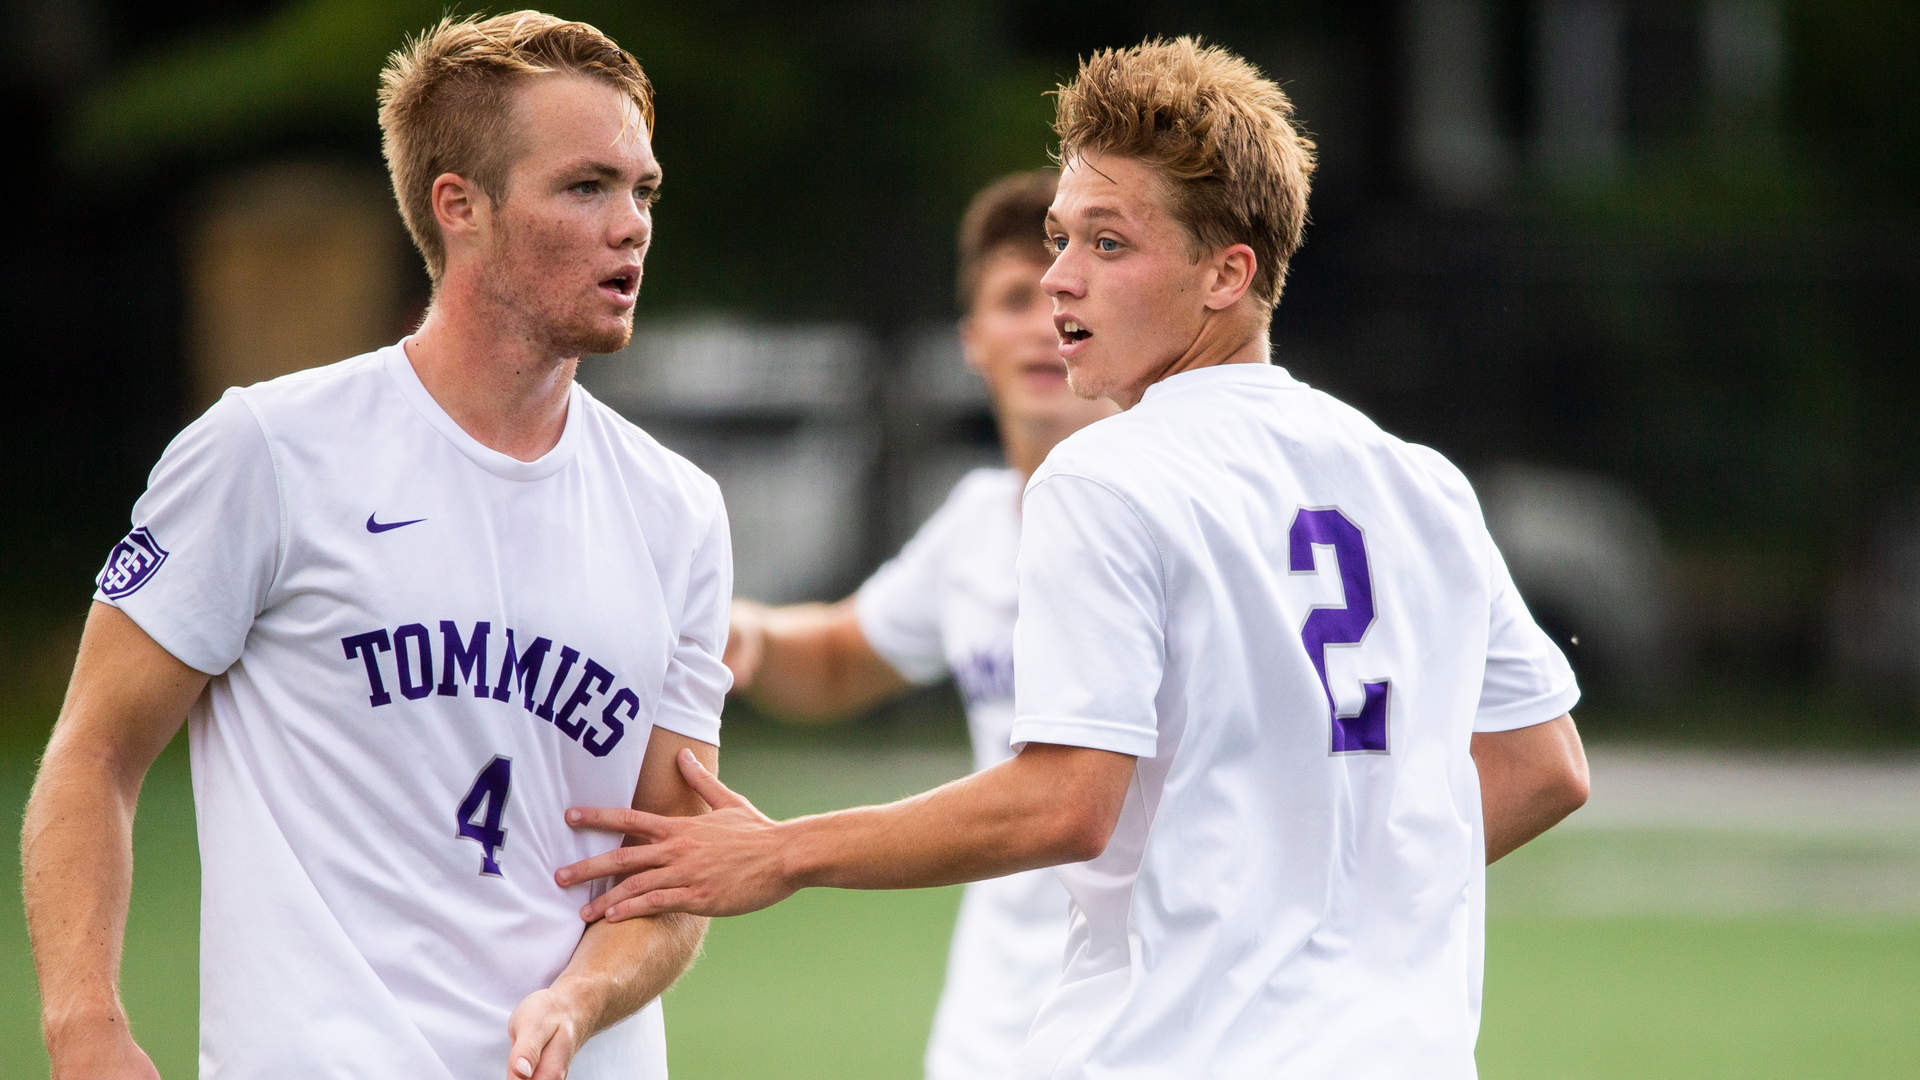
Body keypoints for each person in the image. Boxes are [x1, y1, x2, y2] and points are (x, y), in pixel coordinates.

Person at [557, 35, 1589, 1077]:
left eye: (1107, 244)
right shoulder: (1418, 482)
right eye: (1059, 238)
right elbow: (1541, 766)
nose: (1058, 279)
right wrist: (1328, 897)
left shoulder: (1109, 477)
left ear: (1228, 272)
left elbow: (1066, 803)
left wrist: (781, 852)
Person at [21, 12, 730, 1080]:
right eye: (586, 187)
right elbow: (93, 752)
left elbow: (670, 872)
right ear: (462, 209)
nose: (630, 223)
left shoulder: (680, 509)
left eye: (644, 190)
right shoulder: (267, 452)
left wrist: (578, 998)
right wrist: (84, 1028)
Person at [725, 170, 1115, 1078]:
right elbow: (834, 663)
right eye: (1016, 297)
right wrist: (741, 632)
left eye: (1067, 291)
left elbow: (1065, 805)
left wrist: (788, 854)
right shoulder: (978, 522)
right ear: (972, 340)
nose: (1044, 320)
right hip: (991, 1031)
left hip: (1143, 1019)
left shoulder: (1167, 520)